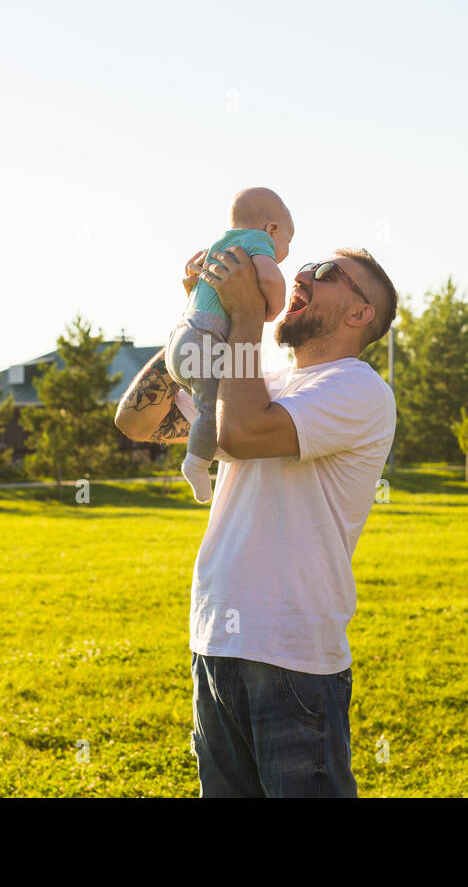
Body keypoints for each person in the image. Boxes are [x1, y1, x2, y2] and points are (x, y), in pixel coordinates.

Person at [115, 242, 398, 797]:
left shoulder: (359, 389)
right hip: (217, 641)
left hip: (289, 651)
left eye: (326, 273)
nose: (303, 274)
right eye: (307, 265)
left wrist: (244, 316)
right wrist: (203, 314)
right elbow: (138, 419)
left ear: (360, 313)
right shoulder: (257, 384)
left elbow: (242, 432)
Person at [164, 187, 292, 502]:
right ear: (271, 228)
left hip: (180, 340)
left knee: (215, 392)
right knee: (211, 412)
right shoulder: (258, 241)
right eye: (288, 241)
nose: (285, 249)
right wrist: (272, 305)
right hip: (205, 341)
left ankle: (198, 457)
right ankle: (196, 463)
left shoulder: (217, 246)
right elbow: (270, 277)